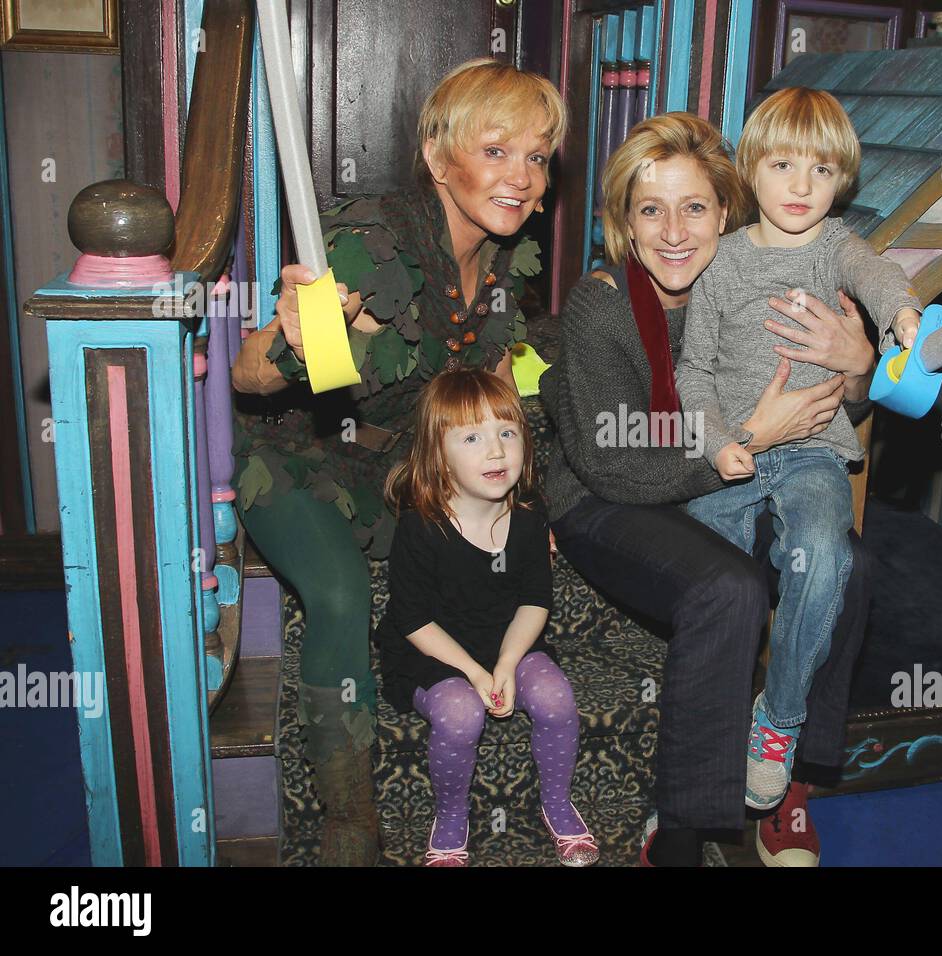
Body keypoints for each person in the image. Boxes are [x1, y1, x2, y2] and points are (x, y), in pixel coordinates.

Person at [230, 58, 566, 865]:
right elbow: (250, 373)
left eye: (538, 155)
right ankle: (350, 820)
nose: (521, 177)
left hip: (401, 474)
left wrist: (523, 508)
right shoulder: (370, 237)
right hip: (298, 462)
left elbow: (487, 397)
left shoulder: (498, 262)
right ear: (437, 154)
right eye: (496, 151)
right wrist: (293, 343)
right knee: (343, 594)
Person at [538, 112, 885, 867]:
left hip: (725, 476)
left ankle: (785, 779)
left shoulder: (752, 279)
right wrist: (752, 436)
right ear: (624, 223)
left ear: (727, 213)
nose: (673, 231)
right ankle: (683, 831)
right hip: (607, 496)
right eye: (649, 209)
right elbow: (609, 455)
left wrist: (859, 364)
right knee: (727, 590)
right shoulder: (605, 303)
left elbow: (827, 408)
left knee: (849, 567)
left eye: (694, 207)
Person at [675, 87, 922, 811]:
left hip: (814, 449)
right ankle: (704, 720)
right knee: (711, 575)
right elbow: (693, 370)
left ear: (841, 180)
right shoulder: (719, 261)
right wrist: (721, 442)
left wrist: (901, 311)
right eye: (783, 165)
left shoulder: (836, 246)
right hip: (737, 451)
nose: (801, 187)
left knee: (826, 552)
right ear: (751, 170)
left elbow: (877, 273)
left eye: (820, 171)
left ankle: (778, 721)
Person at [375, 369, 597, 867]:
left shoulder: (529, 517)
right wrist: (476, 673)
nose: (495, 451)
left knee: (557, 698)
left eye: (507, 432)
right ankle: (451, 817)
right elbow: (411, 620)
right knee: (461, 713)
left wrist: (507, 662)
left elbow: (536, 599)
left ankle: (558, 803)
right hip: (430, 650)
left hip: (506, 638)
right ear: (438, 453)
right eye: (472, 437)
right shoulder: (421, 528)